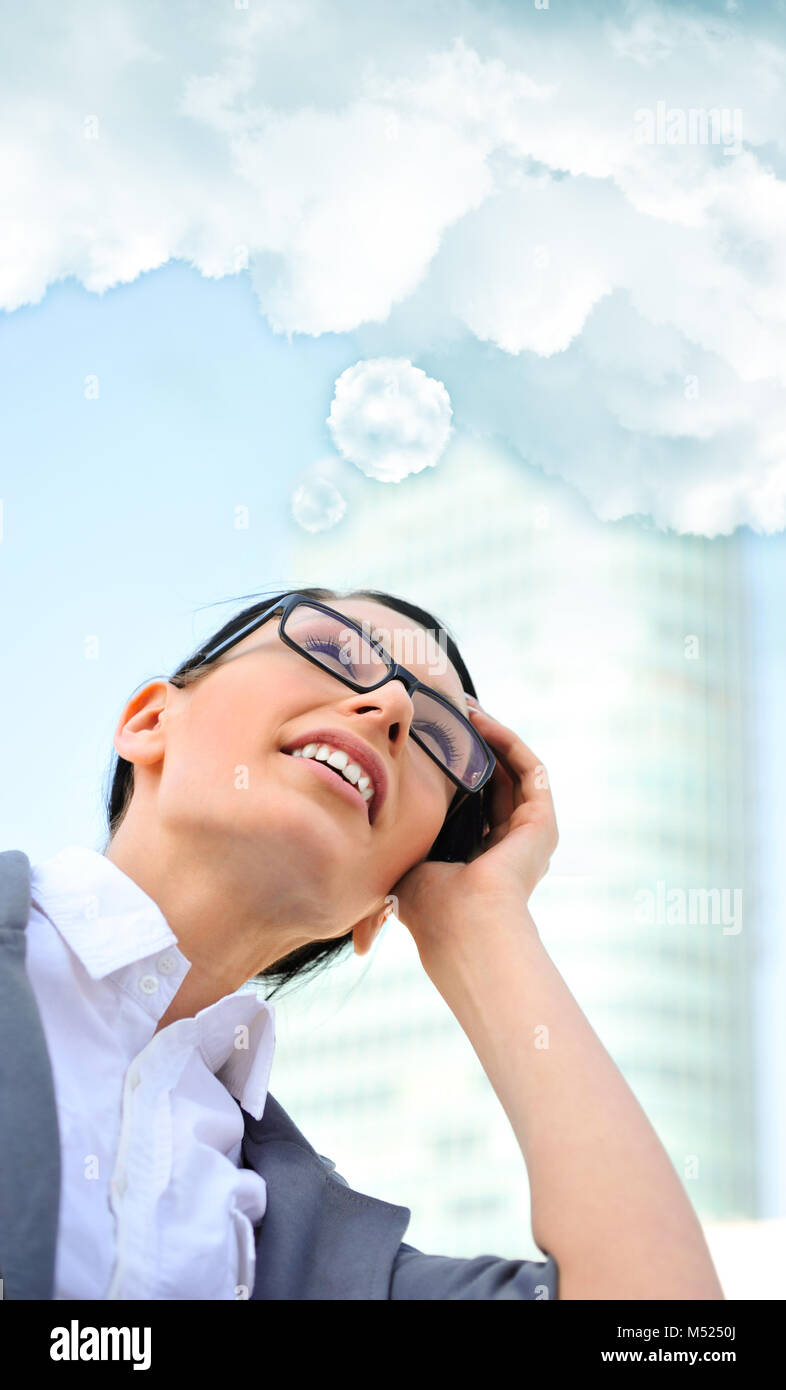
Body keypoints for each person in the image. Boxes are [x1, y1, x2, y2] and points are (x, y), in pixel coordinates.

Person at [0, 584, 724, 1300]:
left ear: (379, 911)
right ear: (151, 721)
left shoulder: (314, 1252)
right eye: (329, 649)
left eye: (441, 741)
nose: (395, 708)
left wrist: (482, 922)